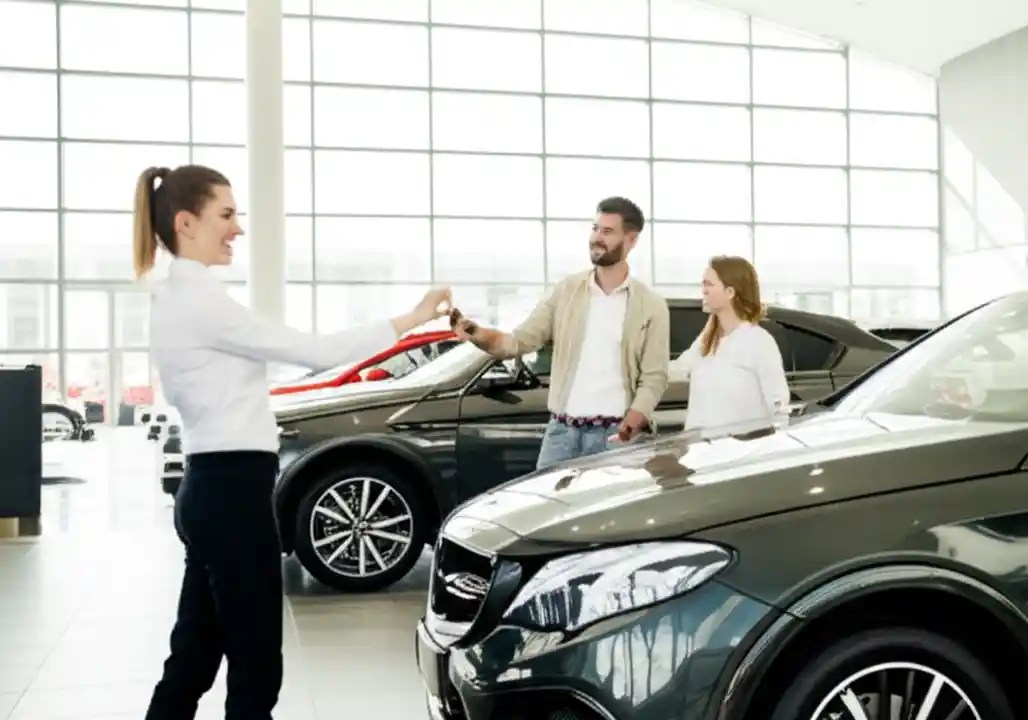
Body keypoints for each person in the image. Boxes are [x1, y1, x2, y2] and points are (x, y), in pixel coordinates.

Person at [133, 164, 452, 720]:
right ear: (186, 222)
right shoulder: (201, 302)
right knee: (256, 659)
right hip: (231, 492)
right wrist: (414, 318)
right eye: (226, 215)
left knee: (195, 653)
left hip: (211, 488)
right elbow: (316, 351)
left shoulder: (178, 299)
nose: (238, 229)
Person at [450, 196, 670, 468]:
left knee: (607, 513)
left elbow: (655, 377)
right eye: (595, 228)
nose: (597, 238)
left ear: (632, 239)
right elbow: (518, 341)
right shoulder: (567, 290)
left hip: (615, 438)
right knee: (546, 509)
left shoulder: (651, 305)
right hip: (562, 435)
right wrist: (477, 334)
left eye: (607, 231)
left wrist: (634, 420)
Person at [668, 255, 789, 431]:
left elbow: (778, 407)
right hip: (700, 452)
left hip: (739, 454)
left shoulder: (759, 342)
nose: (704, 290)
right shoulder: (708, 340)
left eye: (709, 284)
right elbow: (677, 370)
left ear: (730, 292)